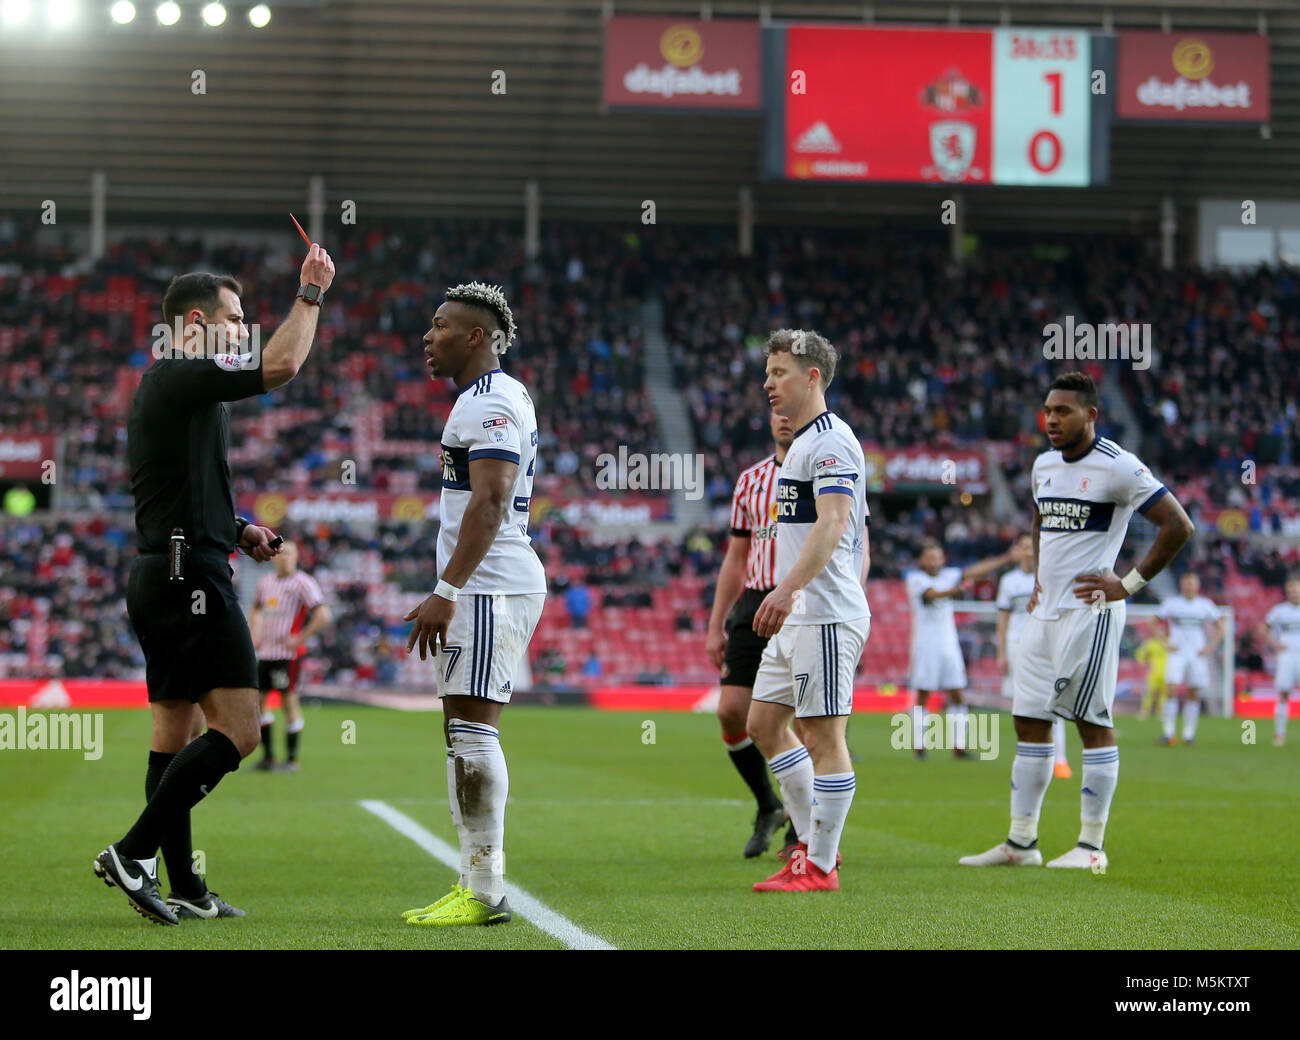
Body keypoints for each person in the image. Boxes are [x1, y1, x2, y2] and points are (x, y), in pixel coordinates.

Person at [96, 246, 336, 924]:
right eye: (235, 319)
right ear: (196, 322)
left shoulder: (173, 386)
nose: (244, 330)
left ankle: (184, 887)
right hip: (187, 576)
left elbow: (172, 485)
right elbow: (284, 363)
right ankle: (133, 851)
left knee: (175, 730)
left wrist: (235, 528)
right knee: (240, 730)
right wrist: (310, 294)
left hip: (164, 569)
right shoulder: (183, 371)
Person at [960, 372, 1192, 871]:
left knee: (1091, 721)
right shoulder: (1043, 465)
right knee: (1029, 722)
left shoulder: (1120, 467)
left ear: (1091, 415)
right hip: (1042, 615)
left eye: (1063, 411)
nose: (1051, 420)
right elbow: (1041, 519)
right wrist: (1041, 577)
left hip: (1091, 614)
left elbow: (1179, 525)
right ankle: (1021, 843)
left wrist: (1126, 584)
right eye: (1047, 410)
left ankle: (1091, 848)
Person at [402, 282, 547, 927]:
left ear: (476, 337)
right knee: (461, 727)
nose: (427, 337)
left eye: (440, 326)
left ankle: (485, 889)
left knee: (473, 729)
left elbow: (490, 503)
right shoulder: (487, 399)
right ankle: (473, 880)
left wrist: (446, 591)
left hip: (489, 585)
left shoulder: (488, 403)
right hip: (487, 583)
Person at [746, 329, 870, 893]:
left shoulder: (832, 441)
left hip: (822, 611)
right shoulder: (801, 443)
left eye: (779, 373)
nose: (768, 384)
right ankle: (808, 844)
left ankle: (820, 865)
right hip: (800, 611)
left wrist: (784, 589)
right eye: (768, 373)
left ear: (812, 376)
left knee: (822, 735)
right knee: (764, 723)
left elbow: (835, 523)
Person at [705, 410, 799, 858]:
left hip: (802, 604)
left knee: (800, 721)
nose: (783, 419)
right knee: (731, 711)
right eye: (776, 412)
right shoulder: (751, 480)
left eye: (790, 411)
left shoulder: (829, 468)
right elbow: (736, 556)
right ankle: (768, 805)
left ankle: (803, 825)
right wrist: (715, 623)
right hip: (753, 604)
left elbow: (855, 541)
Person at [905, 539, 1011, 759]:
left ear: (943, 558)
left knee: (957, 692)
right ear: (923, 560)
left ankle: (959, 746)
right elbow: (932, 594)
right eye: (929, 558)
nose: (934, 562)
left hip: (948, 643)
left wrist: (1007, 558)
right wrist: (958, 589)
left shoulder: (949, 575)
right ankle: (919, 744)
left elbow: (975, 570)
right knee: (923, 694)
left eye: (937, 557)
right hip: (926, 644)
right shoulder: (915, 579)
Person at [249, 540, 332, 772]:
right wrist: (254, 632)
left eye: (290, 554)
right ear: (274, 557)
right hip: (266, 652)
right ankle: (268, 758)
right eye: (281, 554)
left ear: (296, 558)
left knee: (288, 700)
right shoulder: (265, 583)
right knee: (259, 702)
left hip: (287, 654)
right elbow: (256, 608)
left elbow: (323, 615)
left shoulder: (303, 583)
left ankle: (292, 759)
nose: (285, 558)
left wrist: (300, 638)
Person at [997, 531, 1070, 777]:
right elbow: (1003, 617)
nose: (1028, 552)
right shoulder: (1008, 581)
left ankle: (1060, 759)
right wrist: (1001, 652)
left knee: (1052, 700)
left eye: (1032, 547)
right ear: (1017, 551)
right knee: (1021, 703)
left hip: (1044, 643)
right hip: (1015, 644)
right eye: (1024, 547)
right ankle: (1028, 756)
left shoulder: (1050, 577)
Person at [1156, 572, 1222, 746]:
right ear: (1181, 585)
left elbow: (1221, 626)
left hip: (1197, 654)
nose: (1189, 586)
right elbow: (1153, 621)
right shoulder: (1172, 603)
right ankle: (1168, 733)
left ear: (1197, 585)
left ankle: (1188, 734)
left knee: (1194, 693)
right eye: (1186, 583)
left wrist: (1211, 646)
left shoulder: (1205, 605)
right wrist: (1163, 642)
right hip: (1177, 653)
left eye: (1192, 583)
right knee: (1171, 689)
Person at [1260, 575, 1300, 746]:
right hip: (1287, 656)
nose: (1293, 592)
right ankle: (1280, 734)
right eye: (1290, 590)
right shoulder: (1279, 610)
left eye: (1296, 589)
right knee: (1283, 693)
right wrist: (1274, 644)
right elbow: (1263, 628)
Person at [1134, 623, 1169, 722]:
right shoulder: (1151, 643)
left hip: (1167, 673)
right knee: (1149, 693)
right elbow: (1140, 653)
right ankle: (1144, 711)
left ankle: (1160, 712)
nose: (1160, 633)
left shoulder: (1168, 642)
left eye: (1161, 631)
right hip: (1153, 673)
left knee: (1164, 694)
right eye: (1158, 631)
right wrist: (1143, 662)